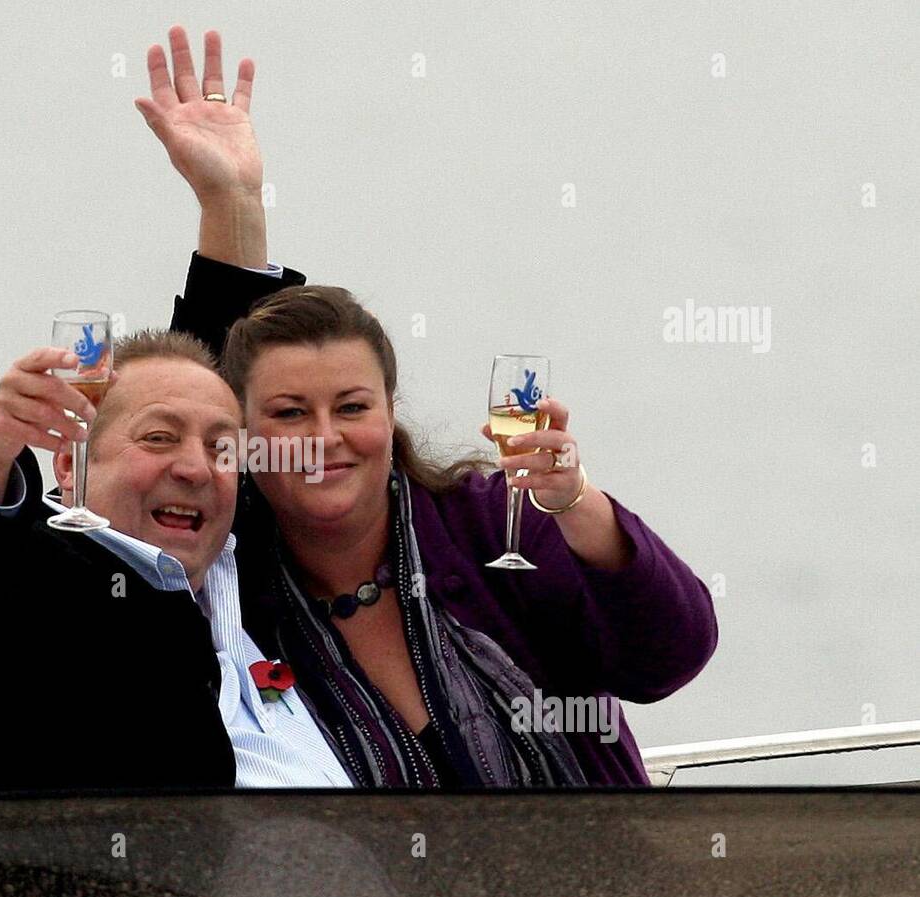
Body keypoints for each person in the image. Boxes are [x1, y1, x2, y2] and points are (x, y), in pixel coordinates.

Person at [138, 27, 720, 786]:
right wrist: (231, 200)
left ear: (390, 411)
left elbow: (669, 657)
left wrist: (581, 507)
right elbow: (193, 394)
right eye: (286, 414)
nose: (324, 437)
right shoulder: (236, 596)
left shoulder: (488, 523)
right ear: (241, 440)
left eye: (351, 406)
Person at [0, 31, 352, 794]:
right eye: (157, 439)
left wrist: (232, 201)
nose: (196, 466)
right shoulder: (30, 587)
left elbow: (219, 377)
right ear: (71, 462)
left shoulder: (255, 566)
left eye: (221, 451)